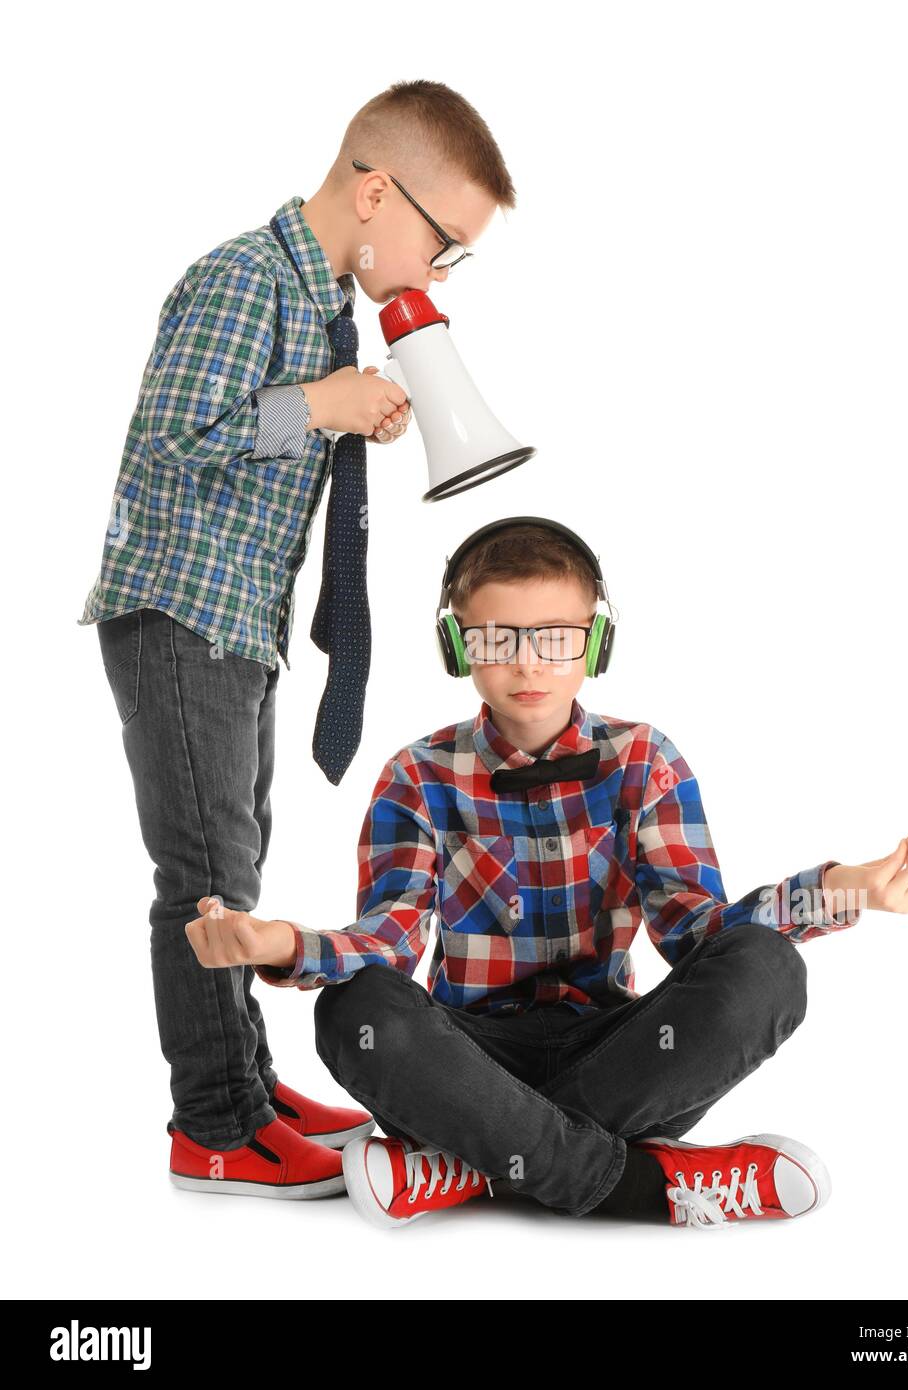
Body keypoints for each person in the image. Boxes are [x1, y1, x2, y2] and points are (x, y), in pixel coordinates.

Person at [186, 518, 908, 1227]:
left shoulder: (645, 758)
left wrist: (845, 890)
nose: (527, 664)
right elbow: (390, 939)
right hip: (464, 1062)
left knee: (767, 969)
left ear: (596, 643)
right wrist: (282, 943)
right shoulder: (416, 774)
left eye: (554, 638)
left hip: (623, 1055)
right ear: (456, 647)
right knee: (356, 1010)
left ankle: (470, 1167)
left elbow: (699, 934)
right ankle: (643, 1186)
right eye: (495, 638)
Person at [78, 80, 516, 1198]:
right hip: (177, 610)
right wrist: (322, 404)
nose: (438, 273)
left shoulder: (316, 301)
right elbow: (174, 439)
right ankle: (213, 1124)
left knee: (235, 857)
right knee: (204, 883)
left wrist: (343, 400)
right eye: (443, 243)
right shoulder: (240, 280)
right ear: (376, 193)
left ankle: (252, 1085)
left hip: (234, 623)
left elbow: (259, 433)